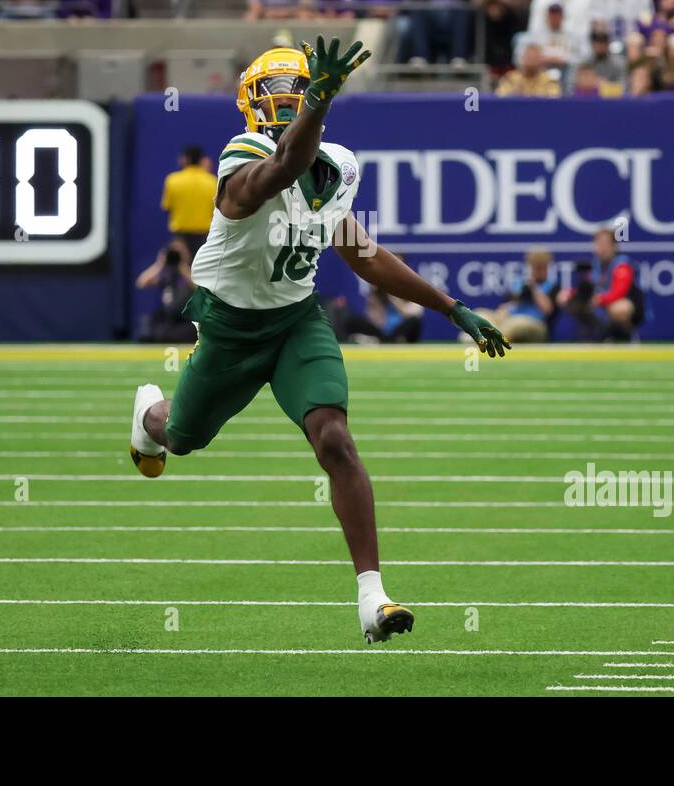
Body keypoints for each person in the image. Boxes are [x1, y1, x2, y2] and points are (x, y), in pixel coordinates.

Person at [127, 38, 511, 643]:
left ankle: (372, 598)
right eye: (281, 92)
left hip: (296, 321)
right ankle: (146, 410)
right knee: (180, 437)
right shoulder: (242, 154)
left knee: (333, 435)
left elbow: (363, 254)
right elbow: (281, 168)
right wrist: (321, 103)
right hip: (229, 327)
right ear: (253, 102)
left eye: (300, 91)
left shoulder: (336, 162)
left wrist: (451, 307)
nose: (292, 101)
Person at [557, 228, 645, 341]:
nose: (602, 248)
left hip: (627, 307)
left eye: (605, 244)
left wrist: (599, 300)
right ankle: (593, 338)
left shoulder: (622, 265)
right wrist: (568, 293)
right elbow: (585, 291)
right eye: (598, 244)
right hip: (599, 305)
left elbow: (619, 292)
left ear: (614, 246)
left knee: (619, 308)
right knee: (572, 302)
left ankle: (627, 337)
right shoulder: (594, 266)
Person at [470, 247, 560, 342]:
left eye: (542, 267)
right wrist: (516, 300)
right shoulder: (519, 283)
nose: (539, 270)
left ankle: (492, 338)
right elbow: (503, 307)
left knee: (516, 324)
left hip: (534, 324)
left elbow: (548, 310)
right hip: (509, 318)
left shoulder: (553, 286)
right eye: (536, 267)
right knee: (480, 315)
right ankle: (482, 337)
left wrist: (534, 289)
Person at [160, 145, 217, 258]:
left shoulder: (172, 180)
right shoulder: (212, 181)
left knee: (181, 270)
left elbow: (167, 206)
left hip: (181, 236)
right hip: (204, 236)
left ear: (185, 159)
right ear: (202, 160)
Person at [134, 240, 196, 344]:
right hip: (166, 319)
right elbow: (141, 282)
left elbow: (197, 287)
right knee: (148, 326)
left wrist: (183, 265)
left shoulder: (189, 272)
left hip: (184, 319)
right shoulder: (166, 272)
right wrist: (159, 264)